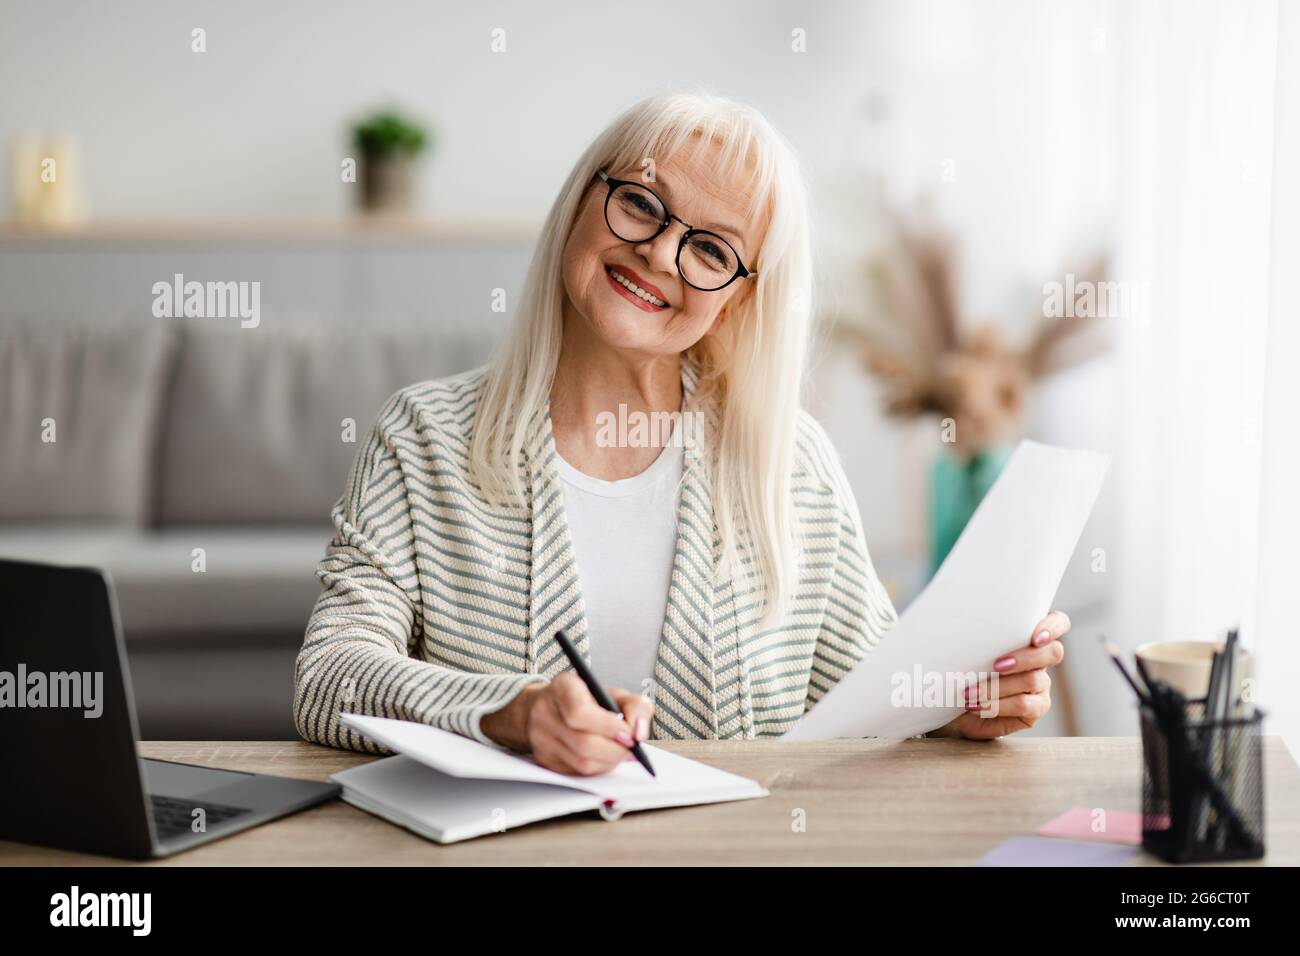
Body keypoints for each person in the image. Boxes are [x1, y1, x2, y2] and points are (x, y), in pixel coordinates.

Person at [293, 90, 1069, 775]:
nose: (659, 253)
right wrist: (513, 714)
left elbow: (874, 709)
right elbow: (330, 678)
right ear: (580, 205)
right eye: (639, 202)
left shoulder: (790, 465)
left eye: (710, 250)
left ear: (733, 302)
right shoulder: (423, 437)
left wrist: (956, 705)